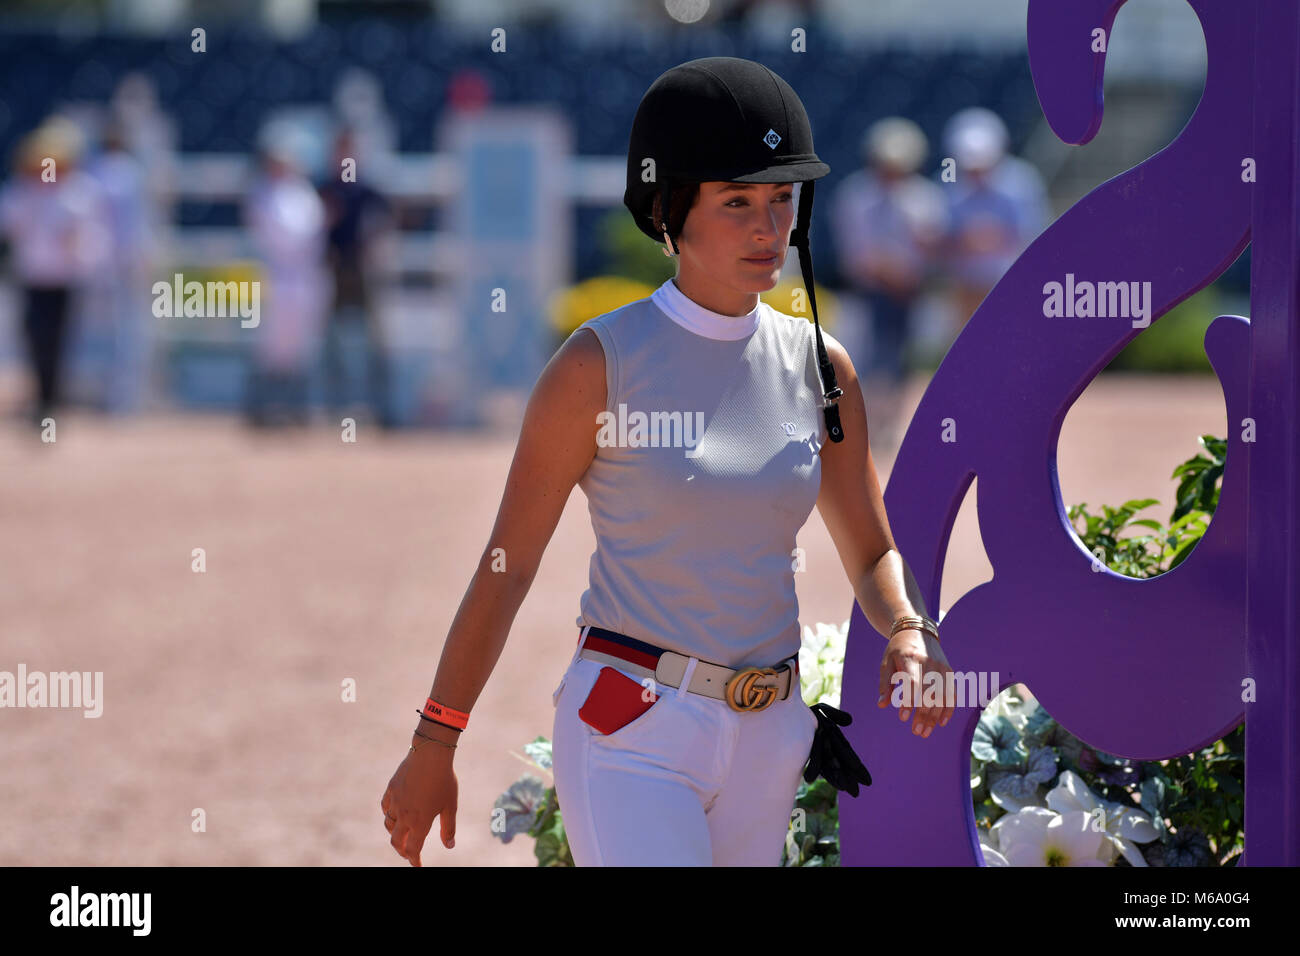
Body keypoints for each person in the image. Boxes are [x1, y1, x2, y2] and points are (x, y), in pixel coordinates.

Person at [380, 57, 955, 867]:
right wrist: (435, 740)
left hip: (772, 735)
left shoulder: (824, 367)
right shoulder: (595, 365)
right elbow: (507, 567)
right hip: (631, 731)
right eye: (736, 203)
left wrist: (906, 625)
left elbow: (872, 548)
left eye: (782, 199)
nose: (768, 229)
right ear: (668, 212)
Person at [830, 117, 947, 454]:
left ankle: (889, 424)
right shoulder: (856, 195)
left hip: (909, 293)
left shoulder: (924, 199)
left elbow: (933, 250)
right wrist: (886, 271)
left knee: (900, 362)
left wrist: (906, 272)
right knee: (861, 360)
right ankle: (861, 425)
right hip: (865, 292)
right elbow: (854, 250)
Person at [0, 119, 106, 427]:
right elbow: (9, 227)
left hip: (64, 279)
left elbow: (92, 237)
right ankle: (40, 398)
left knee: (58, 341)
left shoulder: (78, 193)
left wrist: (77, 247)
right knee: (33, 338)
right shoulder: (23, 191)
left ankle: (50, 402)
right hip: (32, 277)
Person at [939, 107, 1049, 328]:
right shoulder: (948, 185)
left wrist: (994, 238)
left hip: (1012, 282)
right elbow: (941, 238)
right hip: (965, 286)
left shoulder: (1023, 182)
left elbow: (1036, 235)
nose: (976, 173)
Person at [317, 128, 394, 428]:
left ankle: (381, 407)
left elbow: (386, 220)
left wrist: (373, 243)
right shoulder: (325, 189)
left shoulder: (365, 190)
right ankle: (333, 407)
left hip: (362, 271)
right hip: (332, 272)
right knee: (330, 342)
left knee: (376, 341)